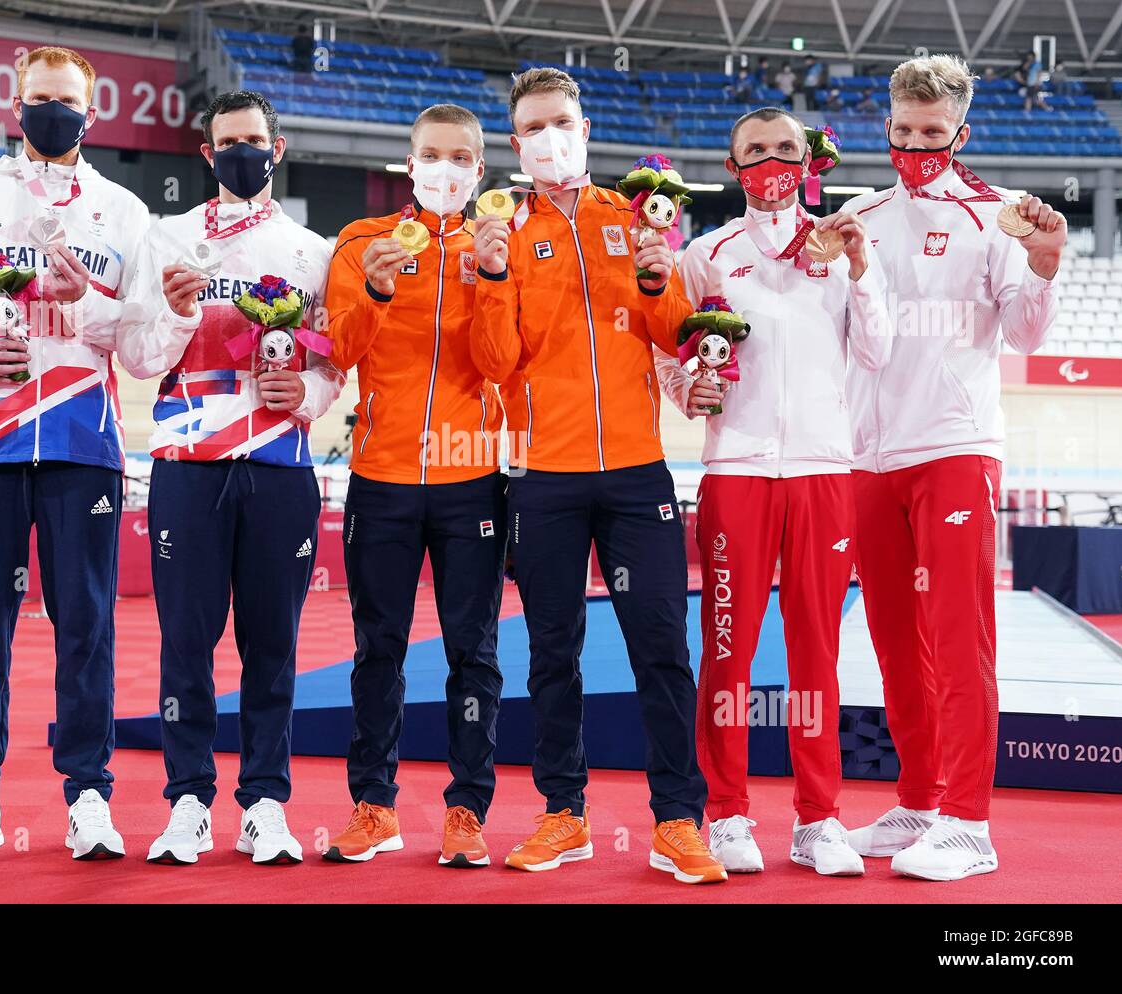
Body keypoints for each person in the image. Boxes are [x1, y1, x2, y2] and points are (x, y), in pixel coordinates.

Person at [471, 67, 726, 886]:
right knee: (552, 651)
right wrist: (494, 278)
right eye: (536, 128)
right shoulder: (505, 229)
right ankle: (563, 814)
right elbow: (496, 361)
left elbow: (673, 335)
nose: (552, 138)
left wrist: (658, 273)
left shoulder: (639, 217)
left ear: (585, 128)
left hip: (636, 473)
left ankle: (680, 820)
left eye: (563, 123)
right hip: (543, 473)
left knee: (661, 645)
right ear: (518, 145)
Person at [0, 45, 150, 862]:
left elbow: (146, 341)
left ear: (91, 111)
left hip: (85, 442)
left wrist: (95, 305)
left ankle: (88, 797)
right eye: (39, 99)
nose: (55, 112)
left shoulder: (122, 211)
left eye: (68, 100)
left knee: (86, 626)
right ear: (16, 109)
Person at [840, 54, 1063, 881]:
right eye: (902, 130)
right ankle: (921, 802)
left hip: (954, 448)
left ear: (960, 133)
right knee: (895, 643)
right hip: (870, 453)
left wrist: (1043, 263)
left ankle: (971, 823)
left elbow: (1027, 338)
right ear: (887, 128)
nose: (915, 143)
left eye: (932, 133)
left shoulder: (999, 216)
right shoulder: (857, 215)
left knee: (959, 640)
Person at [655, 107, 892, 877]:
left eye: (784, 149)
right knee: (728, 652)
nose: (770, 162)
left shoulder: (844, 243)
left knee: (817, 653)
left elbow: (879, 351)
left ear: (809, 160)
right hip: (738, 473)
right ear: (732, 167)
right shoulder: (707, 254)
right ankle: (725, 812)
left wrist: (861, 268)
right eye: (754, 151)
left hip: (826, 469)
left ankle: (818, 818)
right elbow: (670, 351)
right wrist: (684, 390)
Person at [115, 89, 345, 867]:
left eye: (255, 141)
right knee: (187, 642)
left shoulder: (315, 252)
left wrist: (305, 395)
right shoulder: (165, 238)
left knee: (272, 644)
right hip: (186, 462)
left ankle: (267, 803)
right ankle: (187, 801)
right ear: (208, 156)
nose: (241, 154)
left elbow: (331, 367)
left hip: (280, 465)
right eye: (226, 144)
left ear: (276, 150)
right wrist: (178, 315)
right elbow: (138, 357)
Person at [320, 103, 508, 868]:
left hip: (471, 474)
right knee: (378, 649)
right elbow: (336, 351)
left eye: (460, 157)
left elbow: (500, 362)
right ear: (410, 163)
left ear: (480, 172)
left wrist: (493, 278)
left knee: (474, 651)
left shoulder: (500, 247)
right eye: (431, 155)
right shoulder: (361, 243)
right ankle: (374, 805)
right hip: (383, 475)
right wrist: (375, 293)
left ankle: (467, 811)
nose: (445, 168)